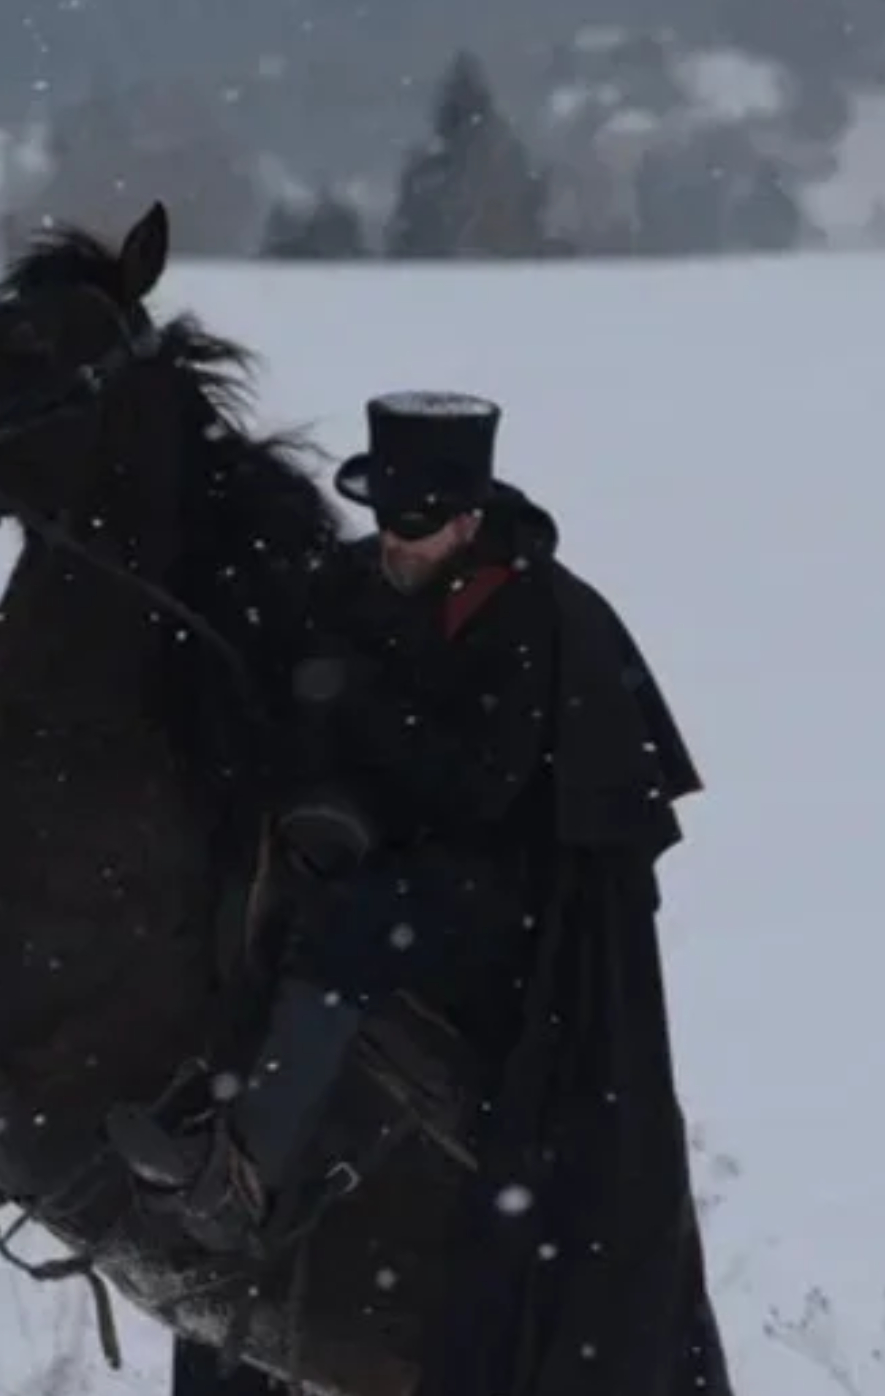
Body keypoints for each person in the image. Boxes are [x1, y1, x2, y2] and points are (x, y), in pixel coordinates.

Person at [105, 389, 733, 1396]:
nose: (396, 544)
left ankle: (245, 1169)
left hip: (515, 891)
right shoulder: (363, 582)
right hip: (391, 852)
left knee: (350, 929)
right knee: (245, 903)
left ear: (469, 518)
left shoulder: (537, 613)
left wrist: (353, 700)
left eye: (418, 524)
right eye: (387, 517)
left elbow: (478, 786)